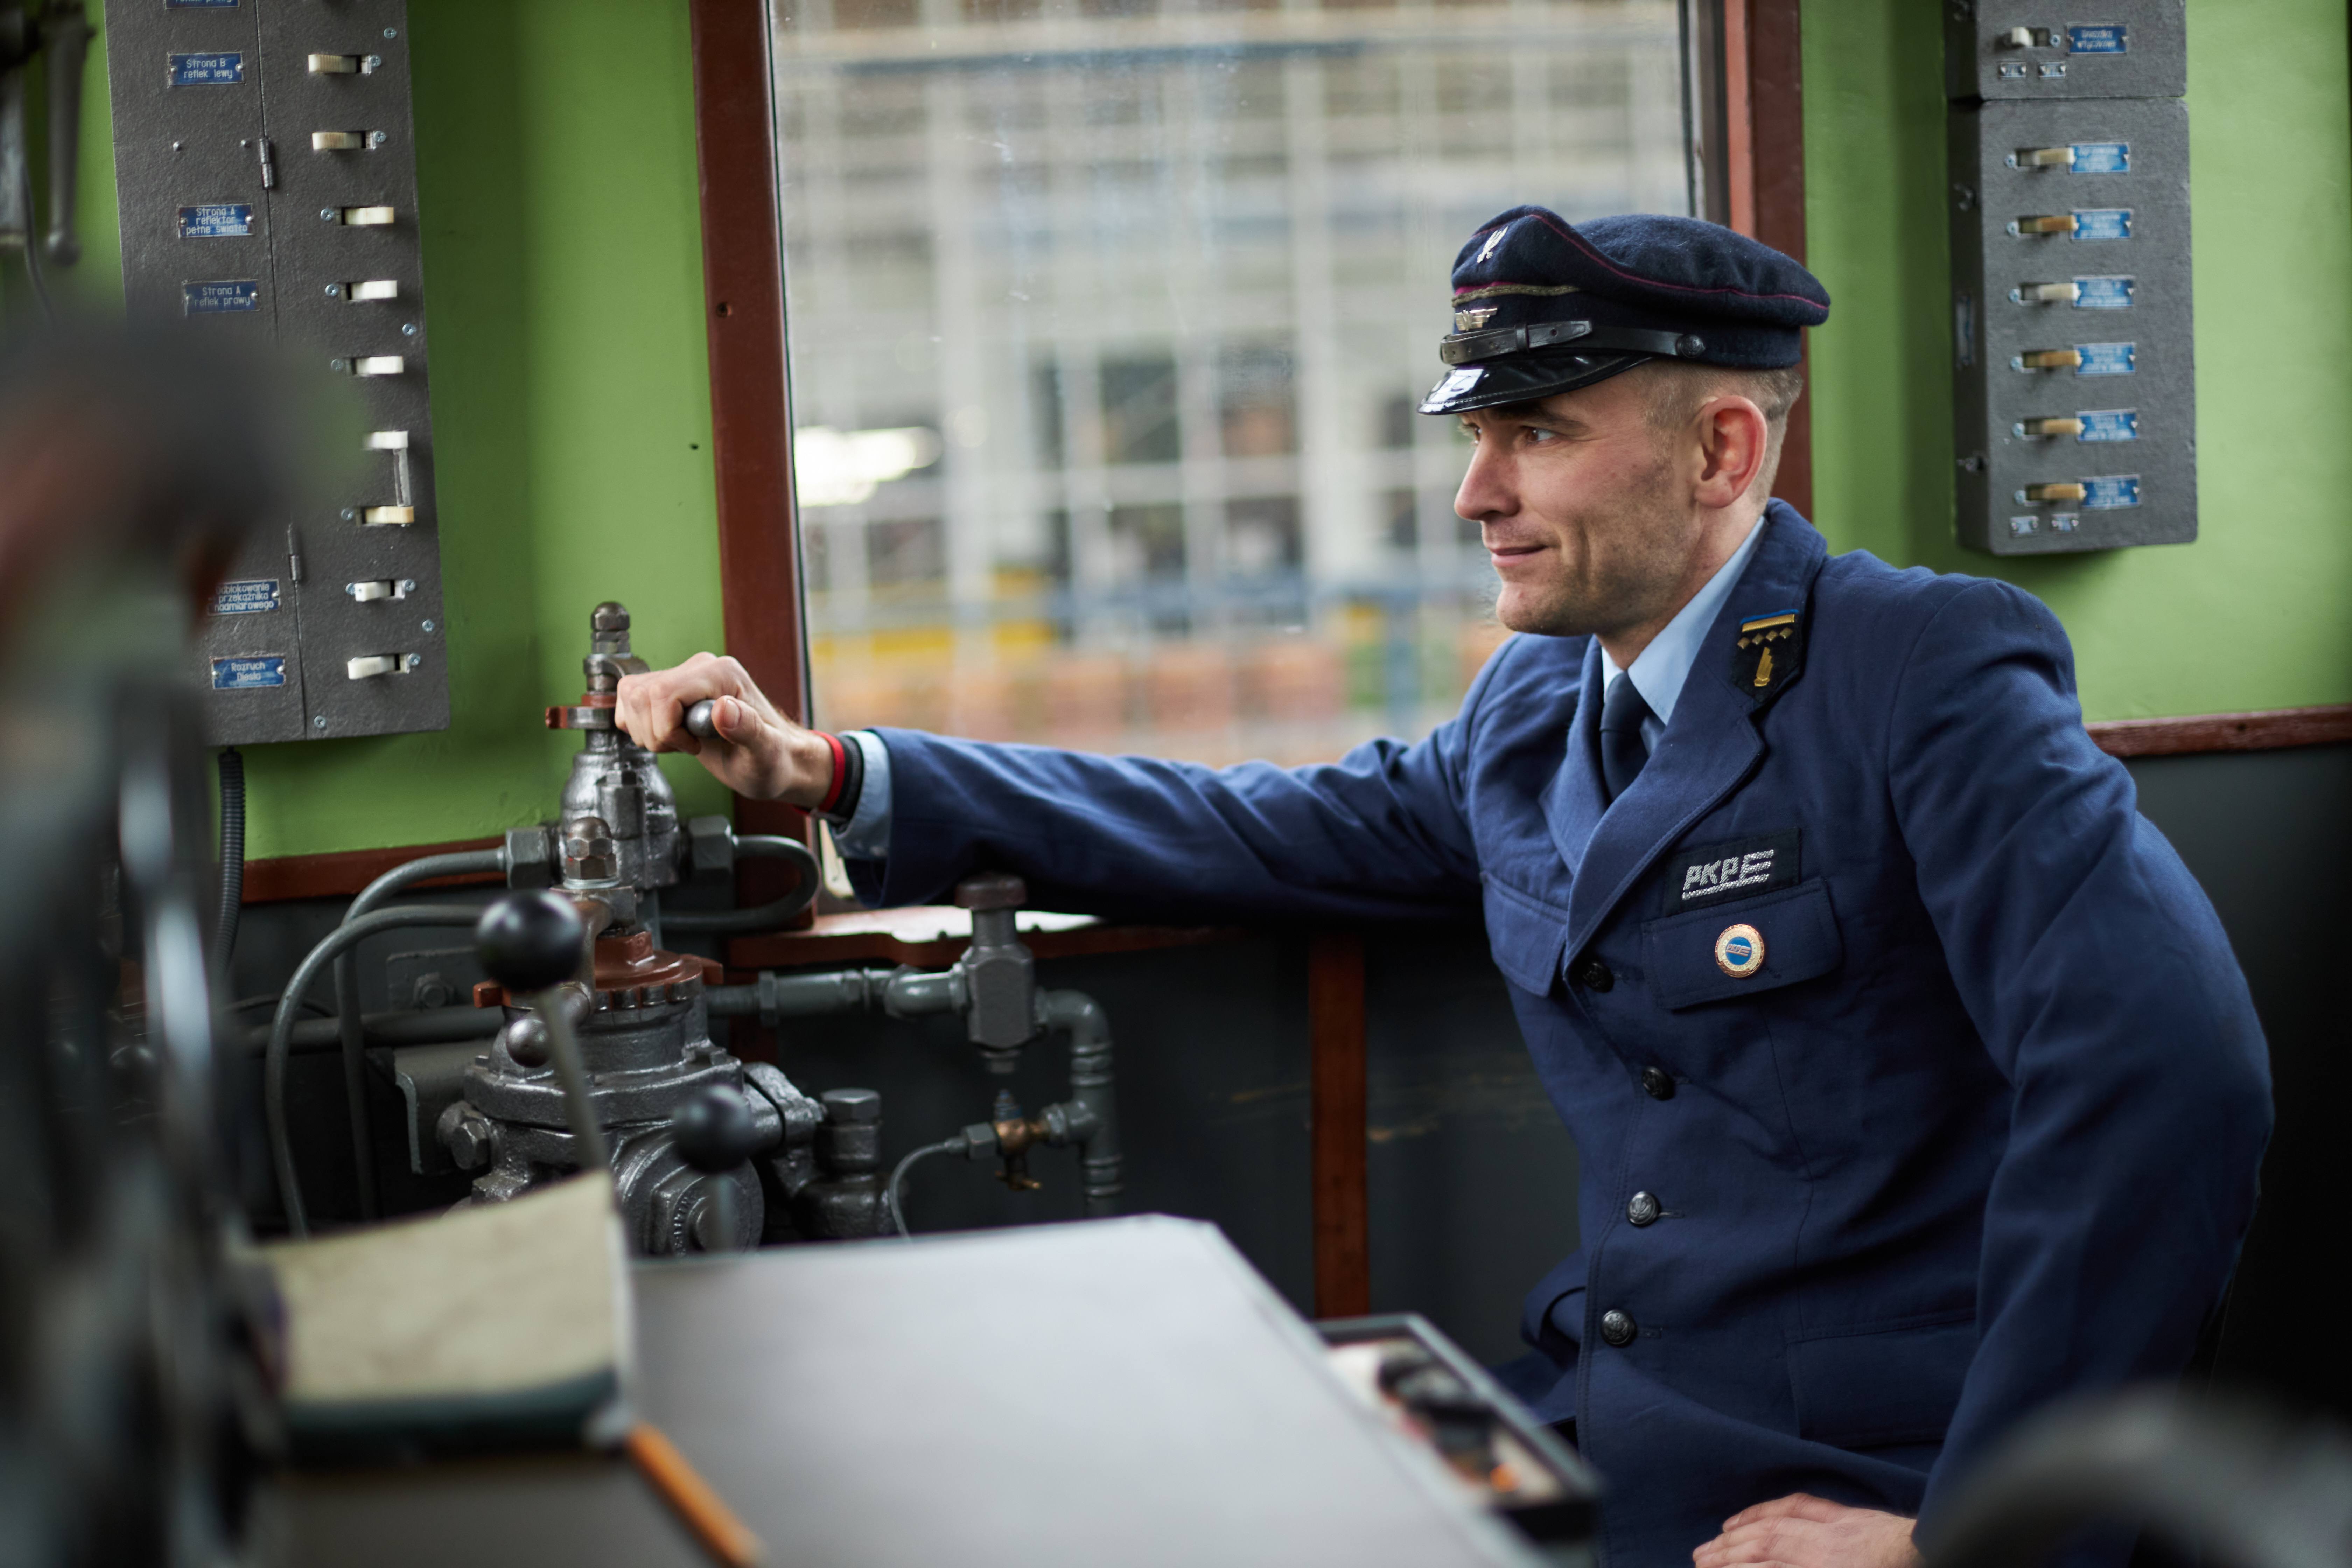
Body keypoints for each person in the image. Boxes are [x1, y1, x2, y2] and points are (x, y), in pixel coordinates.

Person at [618, 208, 2272, 1568]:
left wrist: (1968, 1535)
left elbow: (2167, 1070)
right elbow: (1269, 830)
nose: (1476, 493)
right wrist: (837, 774)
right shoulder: (1542, 705)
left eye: (1536, 433)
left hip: (1858, 1469)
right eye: (1480, 435)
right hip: (1594, 1413)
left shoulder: (1917, 673)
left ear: (1721, 448)